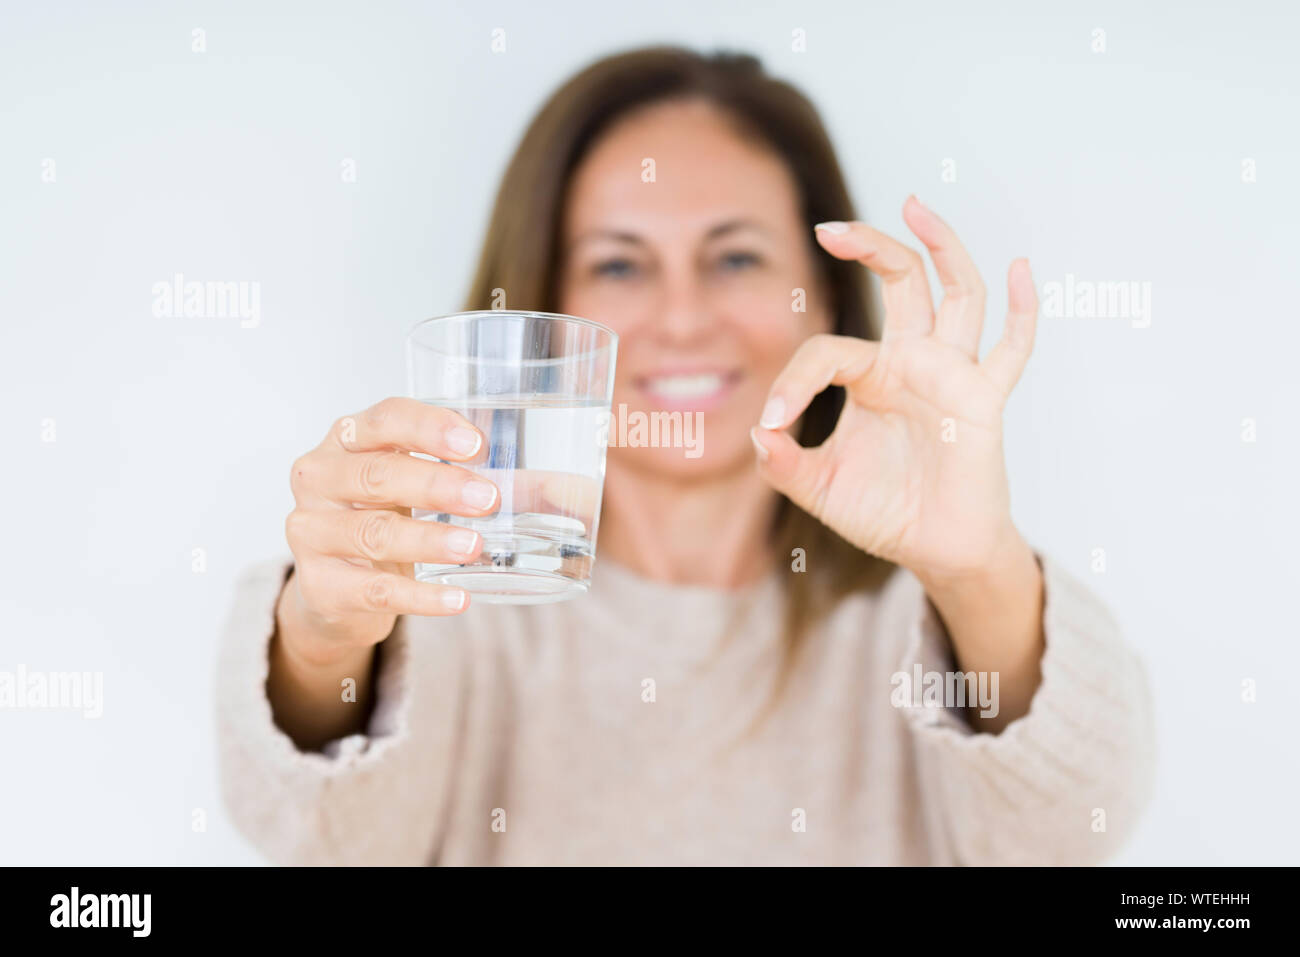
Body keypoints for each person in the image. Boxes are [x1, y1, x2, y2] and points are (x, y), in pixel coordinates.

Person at [216, 46, 1155, 865]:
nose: (680, 318)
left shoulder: (916, 628)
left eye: (737, 257)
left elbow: (1074, 838)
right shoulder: (442, 601)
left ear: (824, 300)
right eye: (620, 264)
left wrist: (975, 570)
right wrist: (326, 637)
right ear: (544, 316)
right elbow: (317, 842)